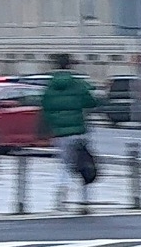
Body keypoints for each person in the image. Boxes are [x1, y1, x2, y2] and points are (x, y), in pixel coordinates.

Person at [39, 54, 99, 188]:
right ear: (70, 66)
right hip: (79, 130)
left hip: (60, 133)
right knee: (84, 163)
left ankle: (62, 195)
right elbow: (92, 102)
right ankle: (85, 197)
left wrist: (43, 130)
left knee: (66, 164)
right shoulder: (78, 84)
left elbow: (45, 109)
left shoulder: (50, 88)